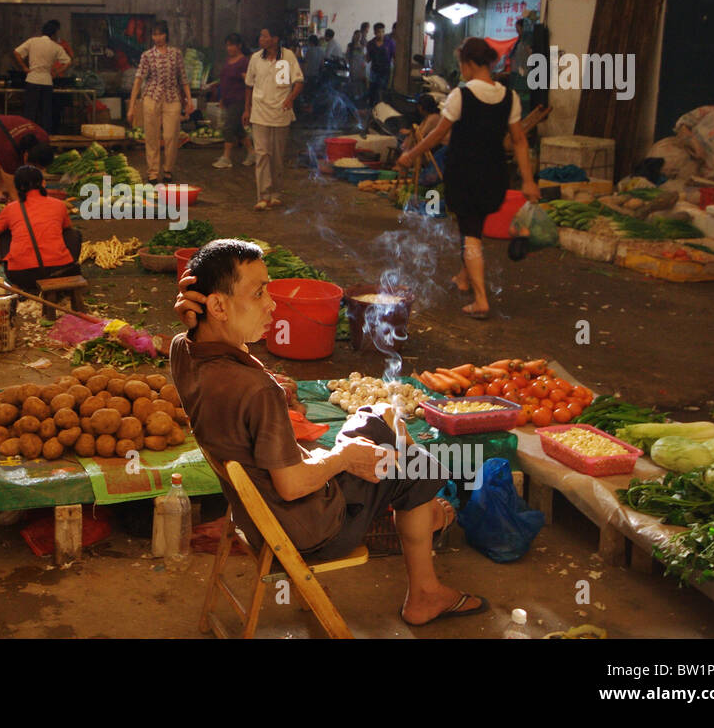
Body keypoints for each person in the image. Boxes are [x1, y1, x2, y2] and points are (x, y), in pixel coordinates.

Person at [170, 239, 484, 627]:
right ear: (216, 306)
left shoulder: (182, 350)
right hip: (311, 528)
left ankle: (418, 508)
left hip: (255, 517)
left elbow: (211, 348)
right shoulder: (255, 391)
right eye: (259, 292)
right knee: (415, 463)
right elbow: (290, 485)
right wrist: (344, 458)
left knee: (377, 417)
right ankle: (424, 580)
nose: (271, 304)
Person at [396, 37, 539, 319]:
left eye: (462, 63)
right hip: (495, 175)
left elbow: (437, 135)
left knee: (470, 235)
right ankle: (464, 277)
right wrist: (528, 180)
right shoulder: (510, 97)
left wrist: (411, 153)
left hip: (465, 174)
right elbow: (520, 140)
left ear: (470, 63)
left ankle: (481, 299)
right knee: (473, 227)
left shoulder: (462, 95)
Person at [0, 165, 81, 294]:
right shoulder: (59, 205)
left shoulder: (11, 208)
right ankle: (66, 266)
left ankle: (19, 282)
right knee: (72, 233)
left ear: (17, 187)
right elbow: (68, 229)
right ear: (43, 183)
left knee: (5, 232)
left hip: (21, 276)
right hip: (60, 271)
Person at [244, 24, 303, 211]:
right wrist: (247, 109)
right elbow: (249, 85)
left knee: (277, 157)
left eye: (264, 36)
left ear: (275, 39)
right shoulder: (255, 58)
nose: (261, 39)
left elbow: (299, 82)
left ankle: (276, 194)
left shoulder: (288, 57)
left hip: (280, 114)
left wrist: (290, 99)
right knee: (262, 155)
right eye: (260, 36)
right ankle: (263, 195)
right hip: (259, 113)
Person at [129, 20, 191, 184]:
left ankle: (168, 169)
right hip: (151, 97)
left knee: (171, 135)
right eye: (155, 34)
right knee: (151, 136)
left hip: (172, 97)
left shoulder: (175, 54)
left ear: (166, 35)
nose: (157, 37)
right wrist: (132, 106)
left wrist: (189, 99)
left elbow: (183, 78)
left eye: (160, 34)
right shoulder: (147, 55)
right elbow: (138, 80)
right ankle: (153, 172)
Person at [0, 113, 52, 229]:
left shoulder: (43, 138)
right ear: (25, 155)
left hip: (1, 137)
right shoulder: (8, 150)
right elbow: (14, 194)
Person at [204, 32, 254, 170]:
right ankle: (252, 153)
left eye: (232, 45)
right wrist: (222, 98)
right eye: (227, 45)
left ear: (239, 46)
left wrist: (248, 105)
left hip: (238, 100)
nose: (229, 48)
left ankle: (226, 157)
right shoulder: (228, 61)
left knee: (228, 128)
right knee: (238, 129)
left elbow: (248, 82)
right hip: (228, 99)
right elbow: (225, 81)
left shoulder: (243, 62)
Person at [14, 20, 71, 133]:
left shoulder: (32, 41)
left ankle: (28, 134)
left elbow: (16, 52)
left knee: (30, 111)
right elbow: (68, 61)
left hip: (32, 79)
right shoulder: (56, 46)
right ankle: (45, 136)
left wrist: (24, 67)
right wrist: (56, 72)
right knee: (46, 112)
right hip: (47, 81)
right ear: (54, 34)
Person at [366, 22, 391, 101]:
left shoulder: (390, 43)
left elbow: (395, 57)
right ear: (375, 33)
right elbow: (368, 59)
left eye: (382, 32)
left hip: (385, 72)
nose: (381, 34)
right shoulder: (370, 44)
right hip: (374, 71)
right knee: (372, 91)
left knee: (382, 91)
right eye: (378, 32)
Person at [347, 29, 368, 101]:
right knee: (352, 81)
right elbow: (347, 56)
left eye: (360, 36)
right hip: (352, 66)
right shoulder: (350, 46)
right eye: (357, 35)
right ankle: (352, 95)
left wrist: (364, 65)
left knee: (360, 82)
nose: (358, 37)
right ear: (354, 36)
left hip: (360, 67)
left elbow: (365, 58)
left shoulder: (363, 47)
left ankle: (359, 96)